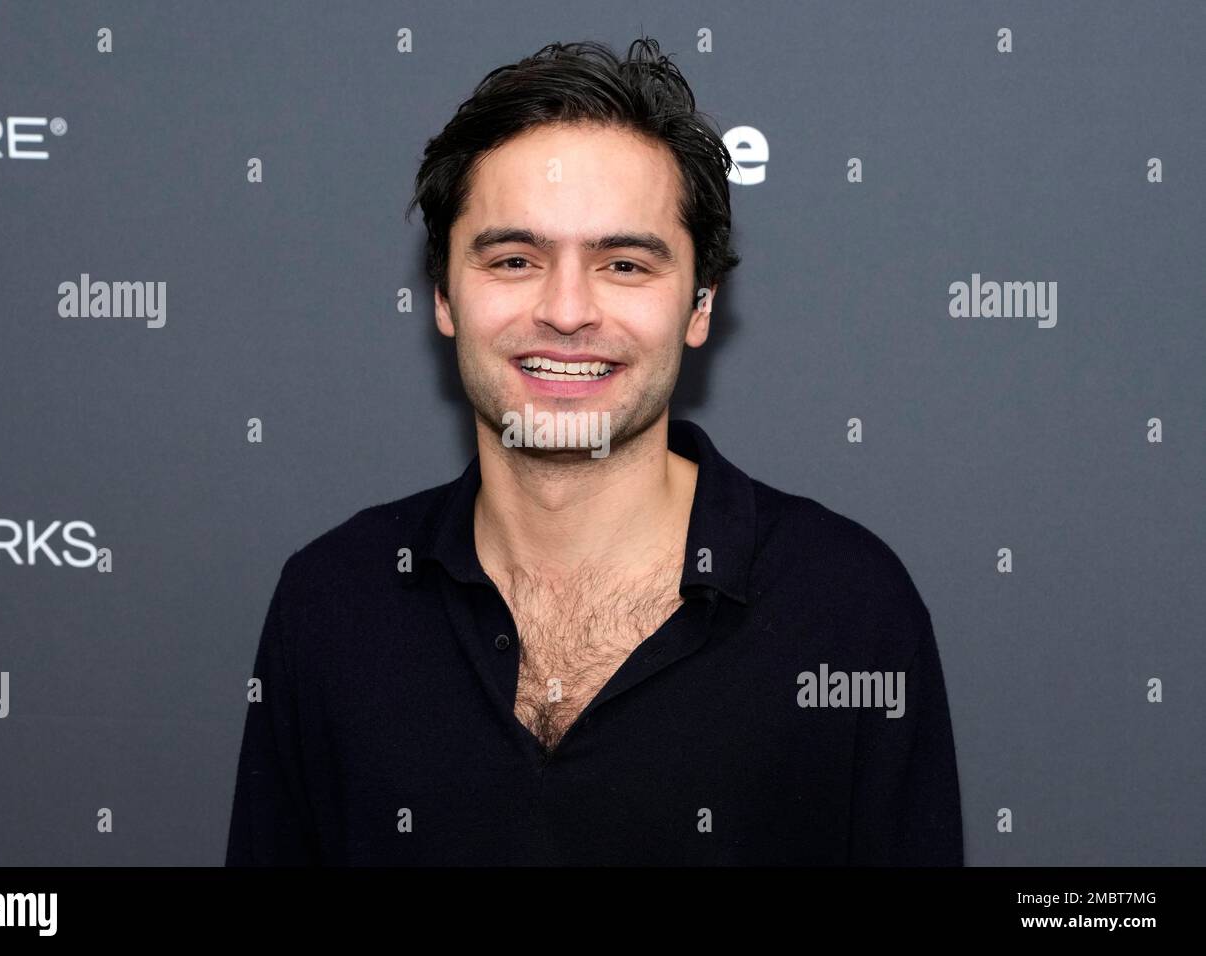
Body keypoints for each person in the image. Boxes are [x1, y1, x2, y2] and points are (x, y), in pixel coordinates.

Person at [226, 37, 963, 865]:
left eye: (623, 263)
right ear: (442, 297)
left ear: (699, 306)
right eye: (514, 259)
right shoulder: (332, 602)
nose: (568, 310)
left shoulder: (849, 607)